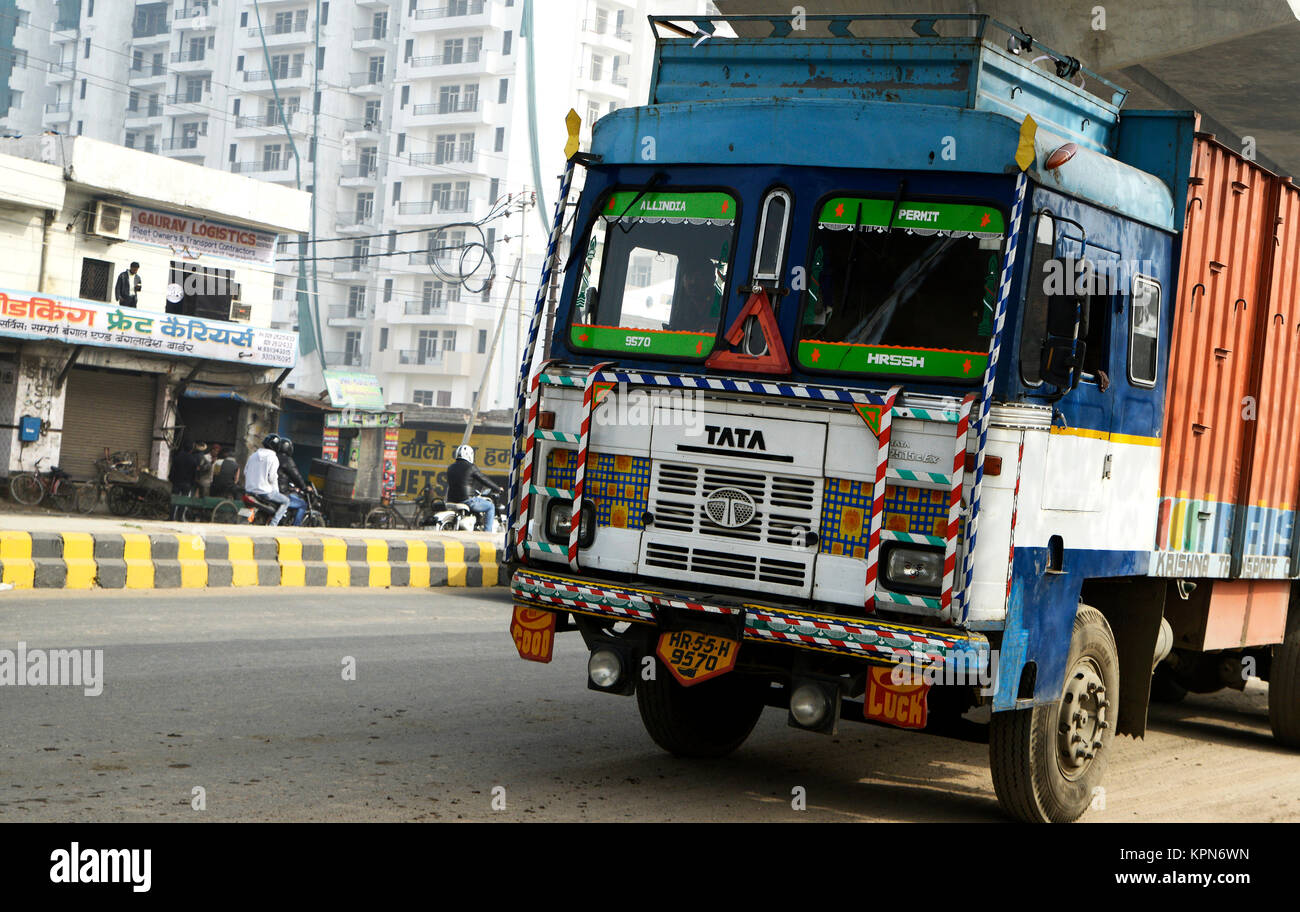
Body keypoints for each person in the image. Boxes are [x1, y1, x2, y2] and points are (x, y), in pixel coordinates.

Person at [446, 445, 502, 532]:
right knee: (490, 506)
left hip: (451, 500)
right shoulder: (471, 467)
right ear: (469, 455)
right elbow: (483, 479)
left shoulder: (450, 467)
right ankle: (487, 532)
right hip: (466, 500)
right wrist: (497, 488)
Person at [244, 434, 289, 526]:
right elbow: (272, 478)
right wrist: (276, 490)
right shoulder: (273, 458)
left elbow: (245, 472)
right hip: (265, 492)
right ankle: (273, 524)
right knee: (286, 501)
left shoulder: (253, 455)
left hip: (249, 490)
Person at [275, 437, 310, 527]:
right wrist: (304, 488)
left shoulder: (273, 457)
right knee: (302, 504)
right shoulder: (287, 460)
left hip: (271, 489)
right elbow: (296, 476)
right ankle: (295, 527)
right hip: (281, 492)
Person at [168, 441, 199, 520]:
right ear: (191, 449)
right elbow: (194, 474)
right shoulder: (193, 460)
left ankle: (171, 517)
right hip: (187, 483)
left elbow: (172, 470)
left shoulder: (177, 457)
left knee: (174, 499)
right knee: (184, 500)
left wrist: (171, 479)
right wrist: (192, 484)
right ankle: (180, 517)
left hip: (177, 482)